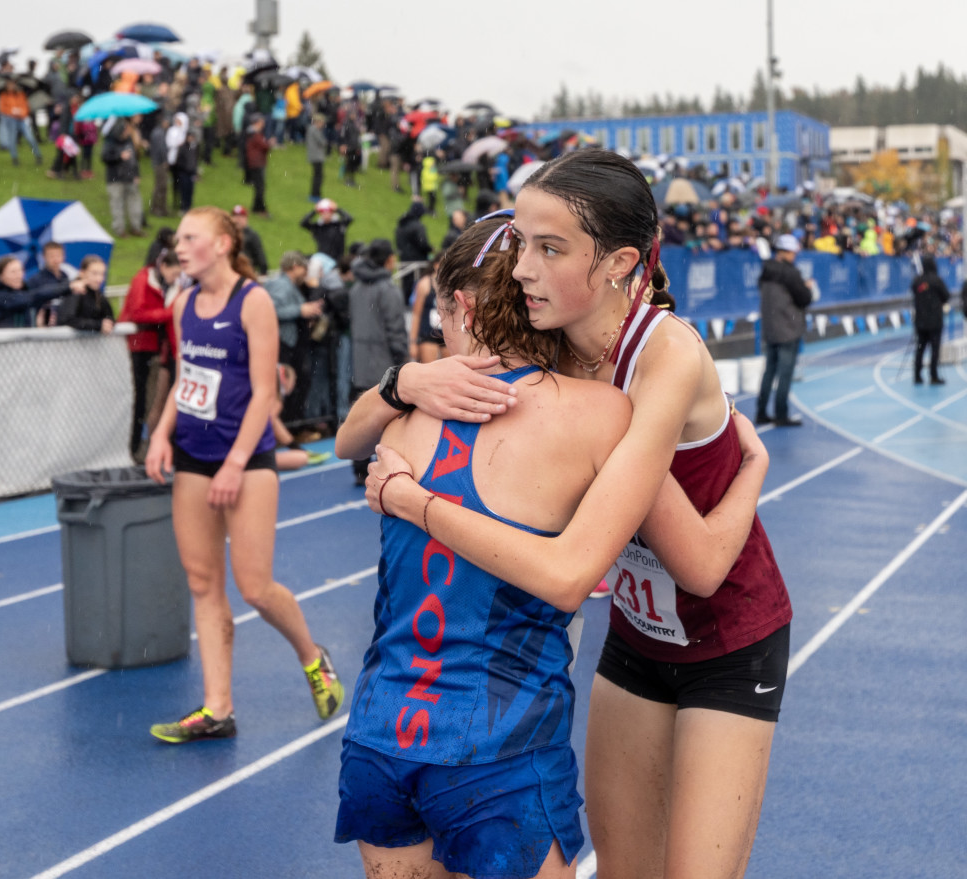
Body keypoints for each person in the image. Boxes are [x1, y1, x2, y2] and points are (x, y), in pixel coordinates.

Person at [340, 149, 793, 879]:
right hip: (641, 636)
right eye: (522, 242)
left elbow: (703, 567)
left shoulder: (662, 357)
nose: (522, 269)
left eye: (550, 249)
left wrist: (753, 475)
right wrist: (409, 378)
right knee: (622, 869)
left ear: (618, 263)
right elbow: (350, 434)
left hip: (728, 640)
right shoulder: (557, 354)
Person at [143, 206, 344, 744]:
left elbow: (264, 392)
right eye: (177, 238)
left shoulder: (252, 302)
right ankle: (218, 708)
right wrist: (161, 434)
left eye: (191, 237)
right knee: (204, 585)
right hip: (192, 456)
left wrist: (234, 463)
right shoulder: (184, 302)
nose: (179, 246)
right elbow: (186, 377)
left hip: (247, 462)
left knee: (254, 586)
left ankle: (312, 656)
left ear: (224, 244)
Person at [346, 238, 409, 485]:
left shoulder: (356, 287)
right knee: (389, 413)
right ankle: (388, 465)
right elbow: (395, 327)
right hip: (383, 359)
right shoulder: (387, 289)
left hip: (360, 358)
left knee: (362, 411)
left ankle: (360, 465)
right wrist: (401, 357)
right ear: (388, 259)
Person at [119, 242, 182, 458]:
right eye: (174, 272)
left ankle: (149, 446)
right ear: (163, 266)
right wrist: (169, 313)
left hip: (159, 347)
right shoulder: (143, 280)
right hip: (140, 346)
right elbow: (138, 313)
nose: (176, 277)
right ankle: (135, 447)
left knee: (155, 399)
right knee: (140, 399)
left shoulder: (171, 287)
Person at [755, 233, 813, 426]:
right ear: (786, 252)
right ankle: (781, 414)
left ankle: (761, 412)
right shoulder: (790, 273)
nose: (795, 256)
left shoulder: (766, 271)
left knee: (769, 371)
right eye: (793, 252)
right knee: (785, 373)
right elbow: (804, 298)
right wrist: (807, 287)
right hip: (788, 327)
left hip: (770, 328)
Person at [264, 251, 324, 426]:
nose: (306, 273)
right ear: (295, 267)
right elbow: (271, 310)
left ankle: (289, 427)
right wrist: (301, 310)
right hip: (283, 344)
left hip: (287, 342)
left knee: (290, 386)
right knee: (287, 386)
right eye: (304, 268)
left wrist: (306, 309)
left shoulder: (283, 283)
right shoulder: (281, 285)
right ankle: (288, 428)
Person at [0, 256, 75, 329]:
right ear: (0, 276)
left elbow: (35, 302)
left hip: (25, 347)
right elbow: (29, 298)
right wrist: (69, 287)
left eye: (20, 270)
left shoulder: (25, 293)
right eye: (13, 272)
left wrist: (41, 322)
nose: (18, 275)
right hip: (2, 349)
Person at [911, 252, 950, 385]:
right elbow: (946, 296)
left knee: (920, 348)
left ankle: (917, 375)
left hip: (920, 321)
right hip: (935, 321)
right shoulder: (937, 281)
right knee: (934, 349)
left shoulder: (917, 280)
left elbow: (914, 293)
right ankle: (933, 376)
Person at [102, 118, 144, 238]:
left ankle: (136, 227)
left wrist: (136, 174)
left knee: (135, 203)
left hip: (130, 177)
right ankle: (119, 229)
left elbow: (134, 160)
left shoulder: (129, 141)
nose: (127, 132)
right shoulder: (109, 142)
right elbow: (105, 158)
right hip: (115, 179)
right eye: (125, 130)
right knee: (117, 204)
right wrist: (119, 157)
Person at [58, 255, 114, 333]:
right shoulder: (75, 292)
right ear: (82, 273)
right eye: (94, 273)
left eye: (102, 274)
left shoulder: (98, 295)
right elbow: (67, 319)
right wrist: (98, 325)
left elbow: (109, 317)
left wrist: (106, 324)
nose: (99, 279)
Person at [408, 251, 445, 363]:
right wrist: (413, 342)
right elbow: (416, 314)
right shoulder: (424, 284)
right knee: (429, 371)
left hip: (447, 335)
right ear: (435, 265)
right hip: (428, 334)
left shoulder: (452, 284)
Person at [244, 115, 272, 217]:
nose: (263, 124)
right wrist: (269, 143)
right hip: (257, 162)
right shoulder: (255, 134)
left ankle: (256, 208)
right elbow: (264, 146)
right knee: (260, 187)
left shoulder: (252, 133)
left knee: (259, 187)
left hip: (255, 162)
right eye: (261, 122)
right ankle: (260, 209)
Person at [232, 205, 268, 276]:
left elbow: (260, 256)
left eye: (241, 216)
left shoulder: (252, 235)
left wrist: (262, 272)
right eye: (235, 216)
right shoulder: (229, 234)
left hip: (246, 273)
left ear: (246, 218)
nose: (237, 219)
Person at [306, 113, 328, 201]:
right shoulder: (314, 130)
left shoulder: (311, 129)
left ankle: (316, 194)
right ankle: (315, 195)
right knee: (318, 176)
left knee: (317, 176)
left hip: (314, 156)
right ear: (317, 122)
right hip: (316, 156)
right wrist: (325, 142)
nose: (322, 124)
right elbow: (322, 142)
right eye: (322, 122)